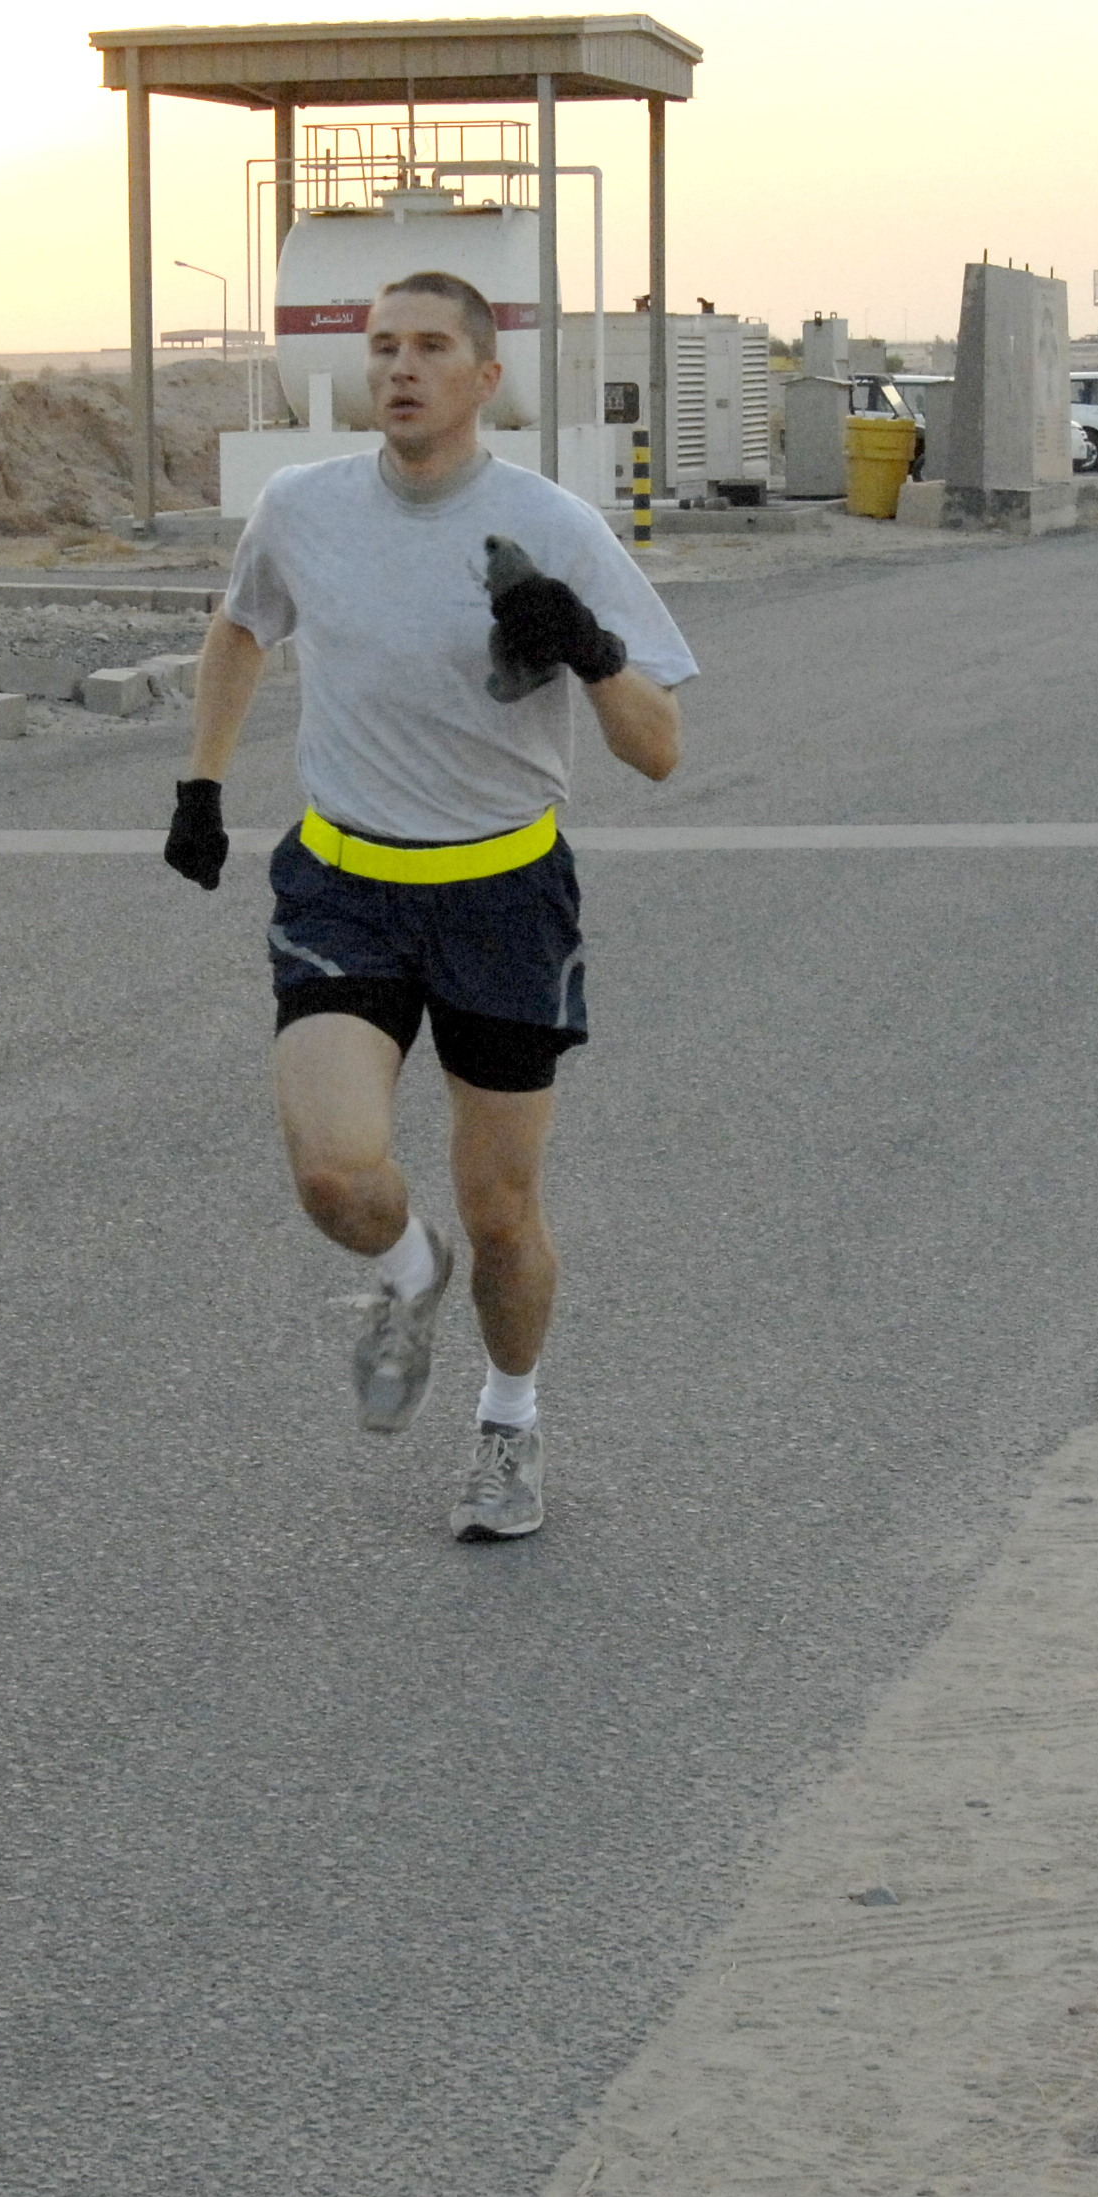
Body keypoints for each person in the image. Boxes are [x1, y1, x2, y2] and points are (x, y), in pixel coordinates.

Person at [164, 271, 698, 1542]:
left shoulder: (553, 525)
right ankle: (407, 1276)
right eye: (381, 346)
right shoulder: (301, 509)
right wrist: (201, 782)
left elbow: (659, 748)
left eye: (430, 347)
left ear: (484, 376)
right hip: (344, 883)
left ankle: (507, 1420)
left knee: (503, 1212)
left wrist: (588, 645)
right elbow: (241, 627)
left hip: (504, 892)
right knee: (340, 1177)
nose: (399, 367)